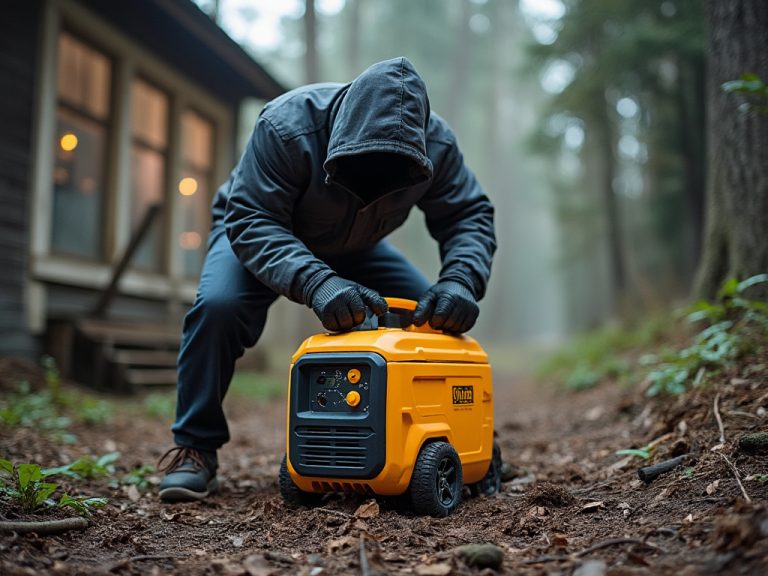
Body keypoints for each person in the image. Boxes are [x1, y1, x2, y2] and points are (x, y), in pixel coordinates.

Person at [158, 57, 496, 502]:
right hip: (260, 228)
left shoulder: (439, 145)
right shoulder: (286, 126)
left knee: (430, 325)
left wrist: (460, 282)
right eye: (365, 167)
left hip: (359, 246)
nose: (376, 183)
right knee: (219, 308)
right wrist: (317, 282)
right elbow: (252, 217)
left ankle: (467, 443)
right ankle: (194, 448)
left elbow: (469, 215)